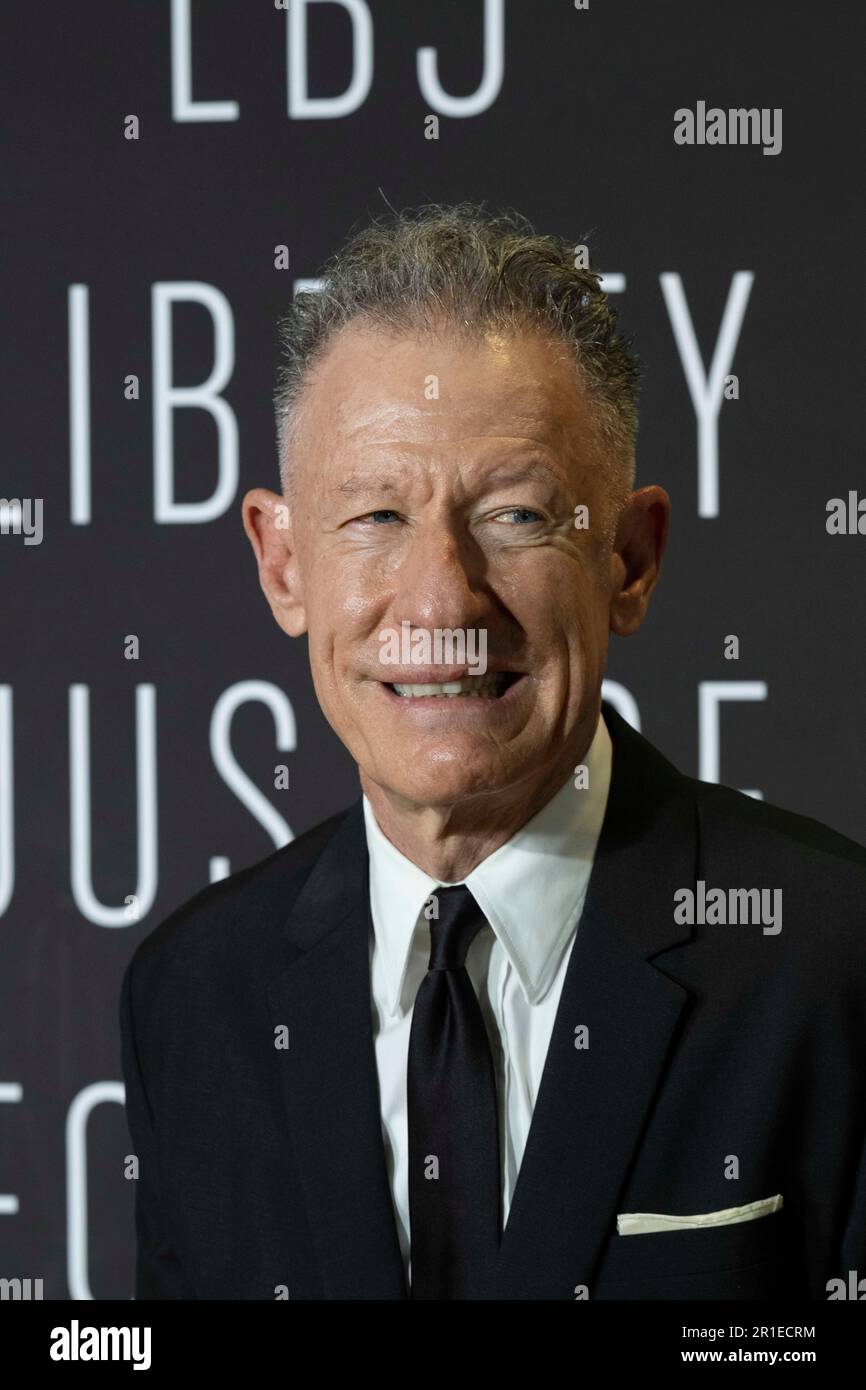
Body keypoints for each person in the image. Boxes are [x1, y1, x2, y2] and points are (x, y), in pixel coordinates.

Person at [120, 204, 866, 1300]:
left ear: (628, 560)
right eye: (374, 515)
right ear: (282, 565)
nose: (440, 601)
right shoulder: (193, 999)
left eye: (513, 514)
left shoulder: (829, 962)